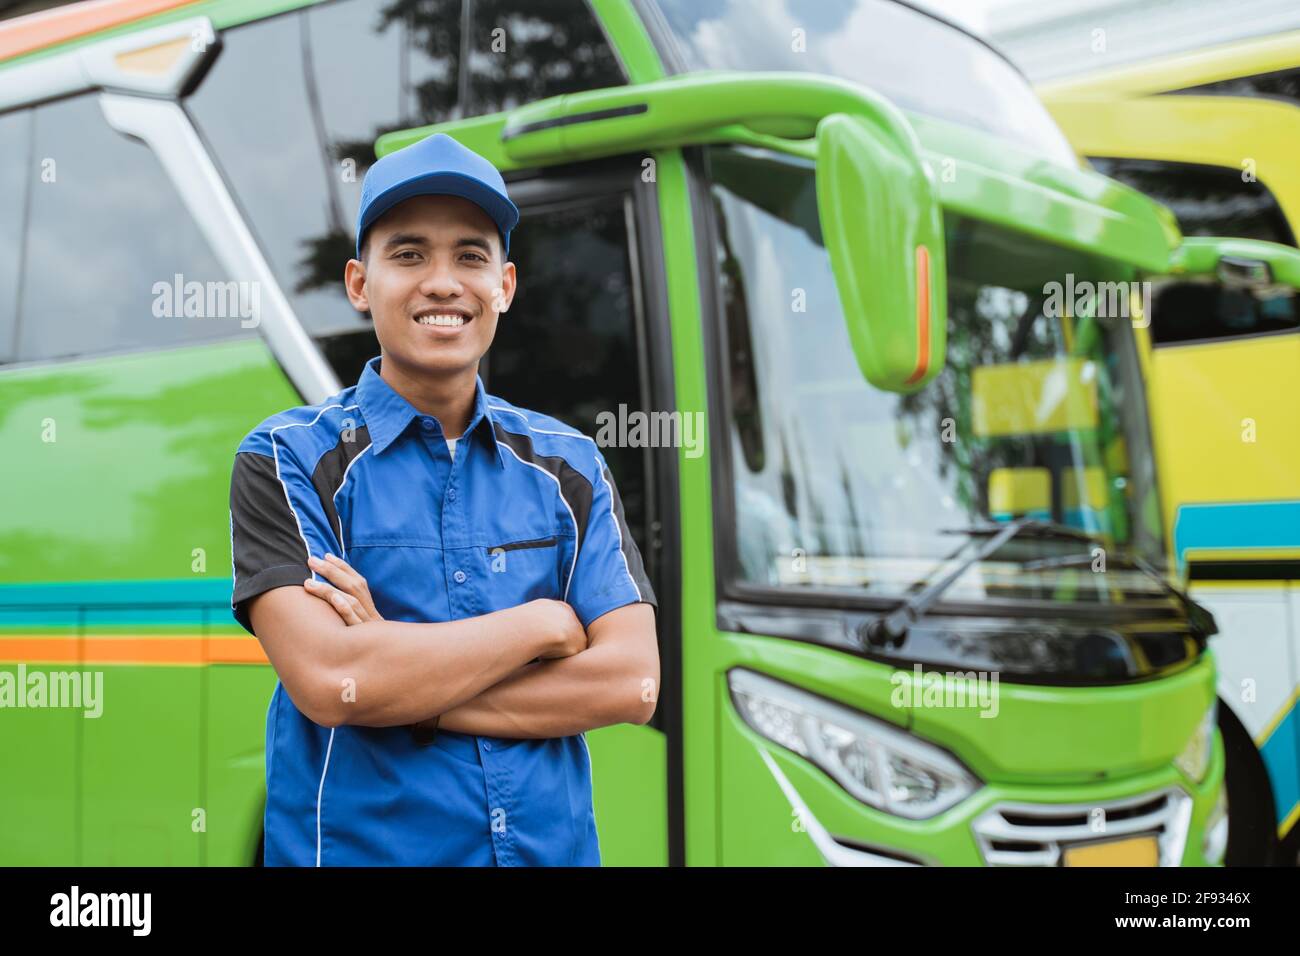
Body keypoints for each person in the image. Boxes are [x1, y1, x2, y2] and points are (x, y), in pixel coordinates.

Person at [227, 132, 659, 866]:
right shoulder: (286, 458)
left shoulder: (569, 464)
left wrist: (402, 683)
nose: (442, 282)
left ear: (505, 286)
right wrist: (545, 625)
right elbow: (333, 680)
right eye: (408, 254)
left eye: (470, 256)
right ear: (359, 284)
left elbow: (632, 682)